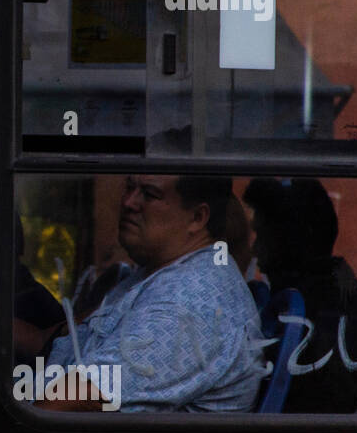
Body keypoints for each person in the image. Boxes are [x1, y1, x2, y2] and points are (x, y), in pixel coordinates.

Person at [45, 174, 264, 412]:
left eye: (149, 195)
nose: (128, 202)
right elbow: (70, 338)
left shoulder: (185, 305)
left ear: (197, 218)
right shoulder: (162, 273)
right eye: (128, 187)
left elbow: (58, 407)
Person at [242, 178, 357, 413]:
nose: (255, 248)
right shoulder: (334, 287)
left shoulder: (312, 313)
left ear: (289, 240)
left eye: (262, 235)